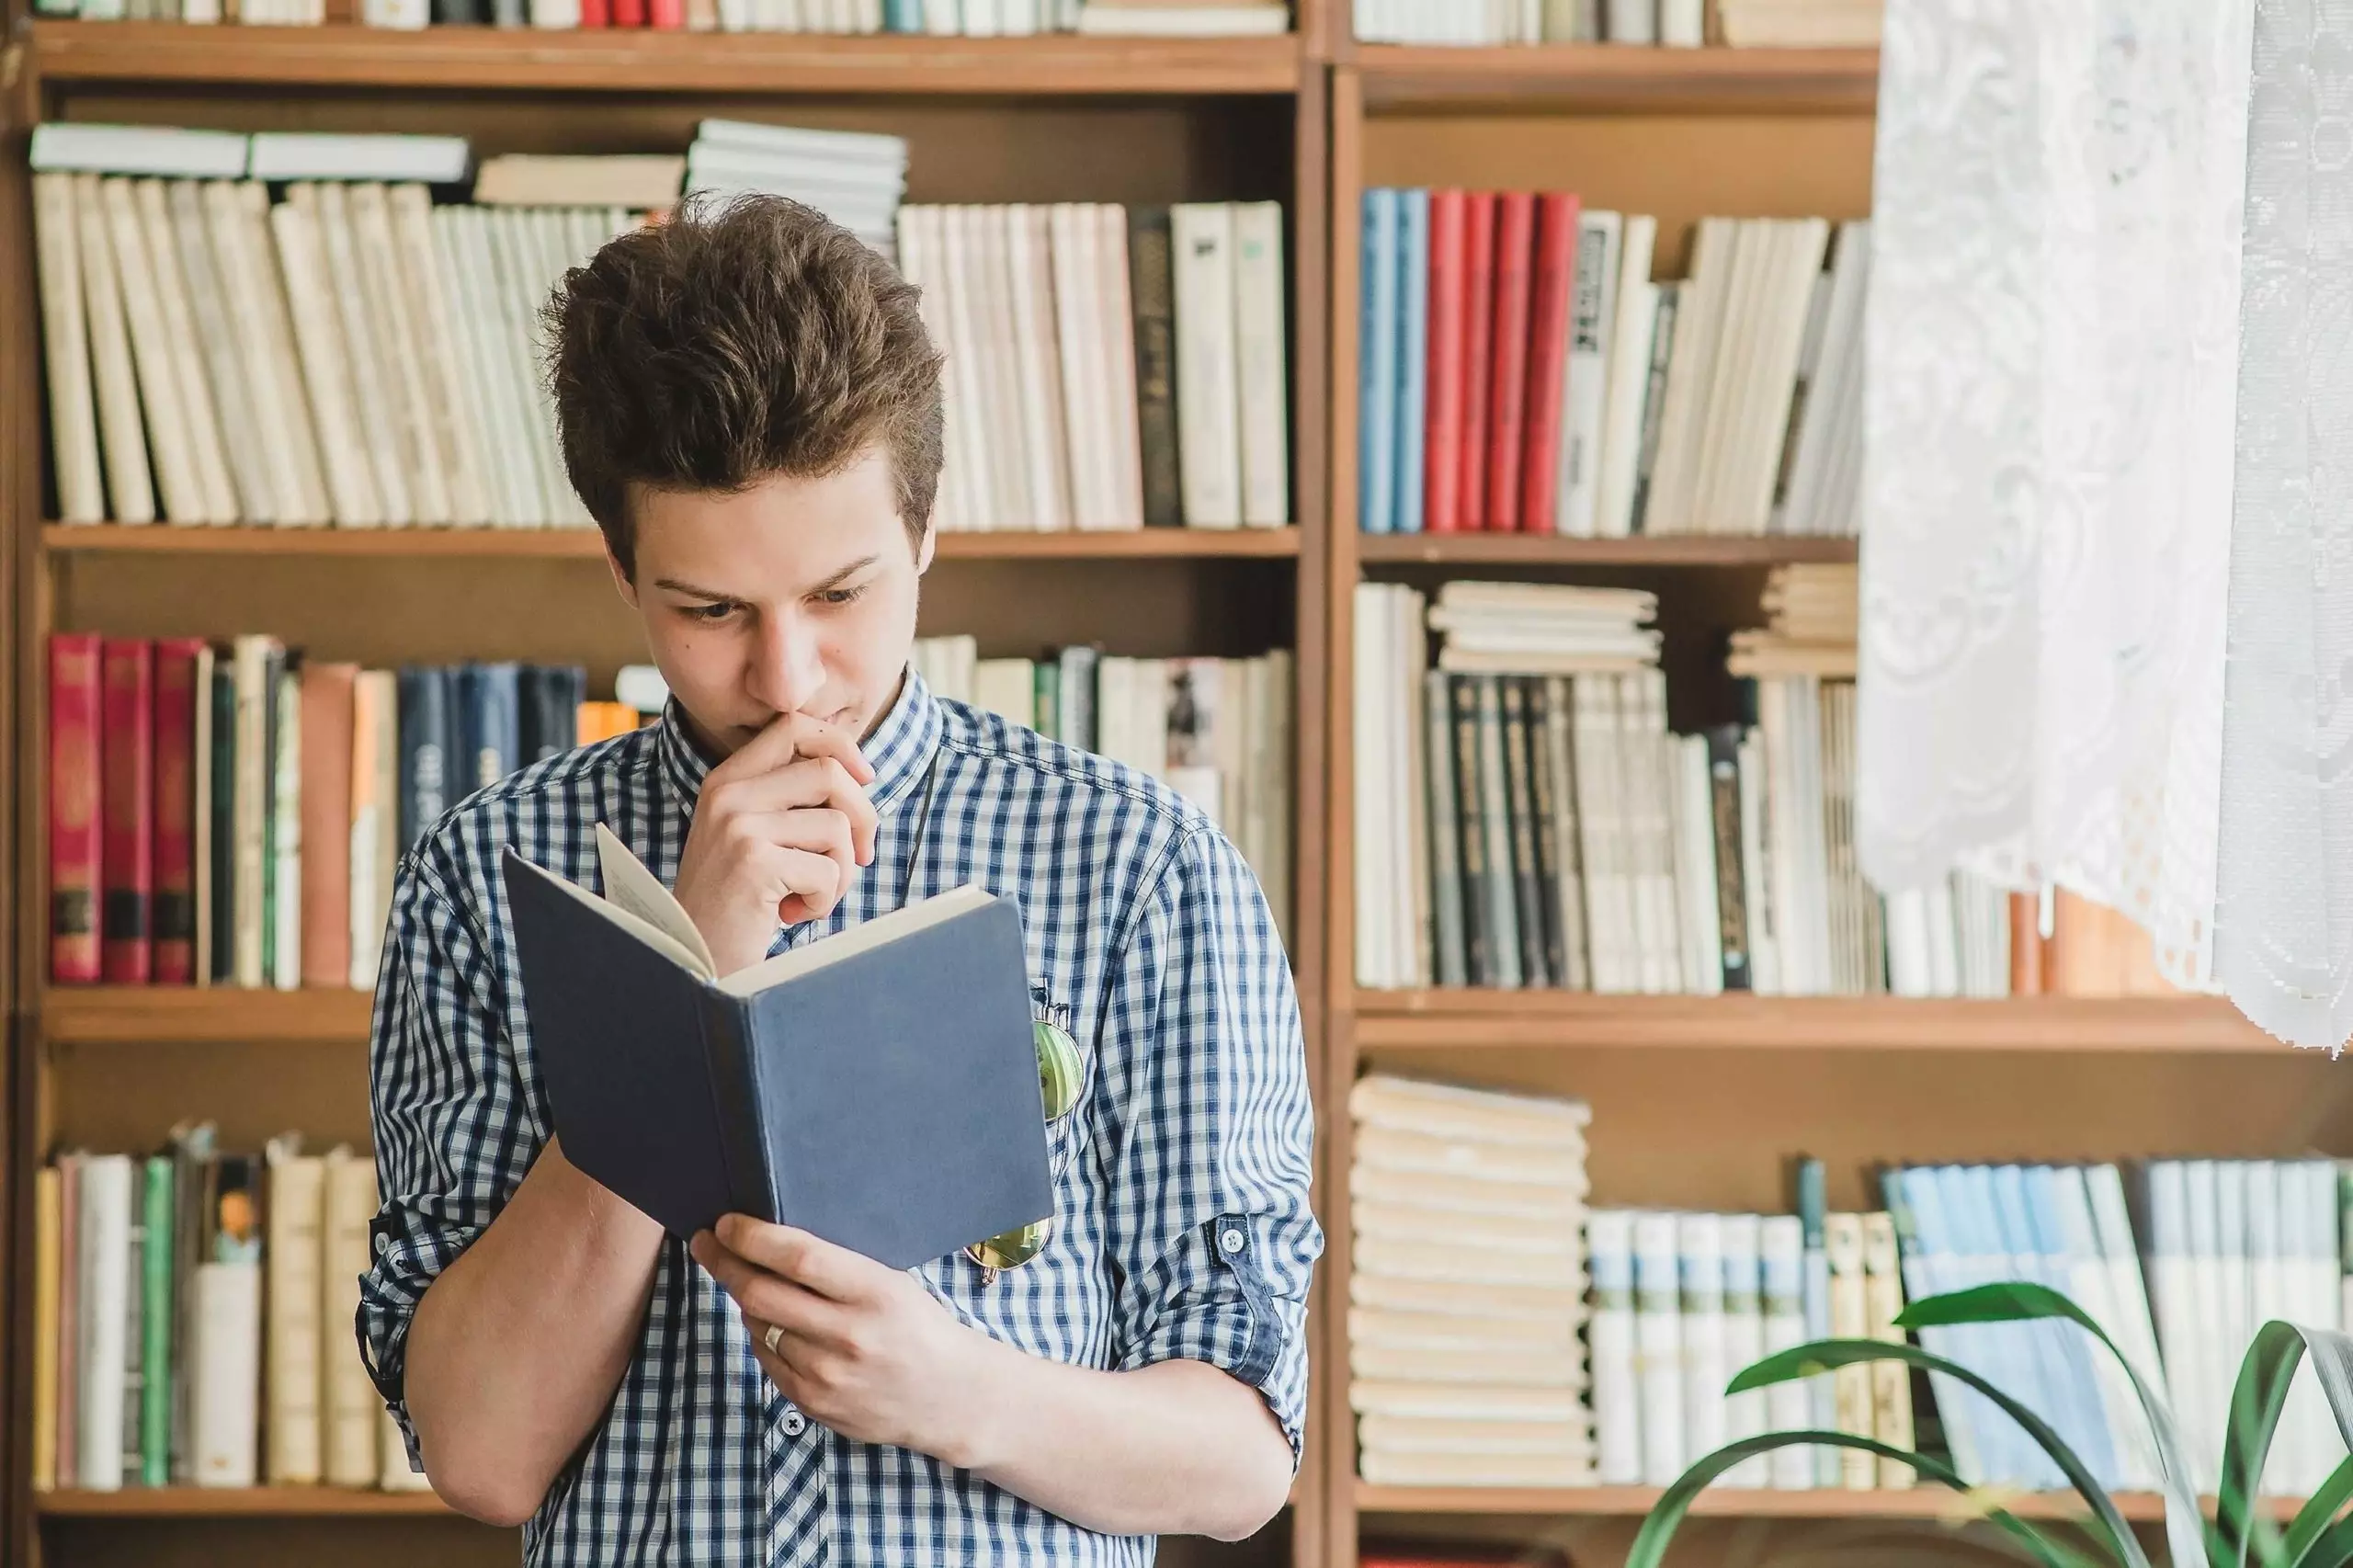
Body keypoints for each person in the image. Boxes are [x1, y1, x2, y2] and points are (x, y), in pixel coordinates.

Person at [355, 193, 1323, 1565]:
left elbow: (1240, 1455)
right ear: (623, 571)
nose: (787, 677)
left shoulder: (1144, 868)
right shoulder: (483, 878)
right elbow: (480, 1451)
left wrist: (954, 1389)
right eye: (711, 612)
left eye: (843, 592)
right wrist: (683, 970)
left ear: (924, 532)